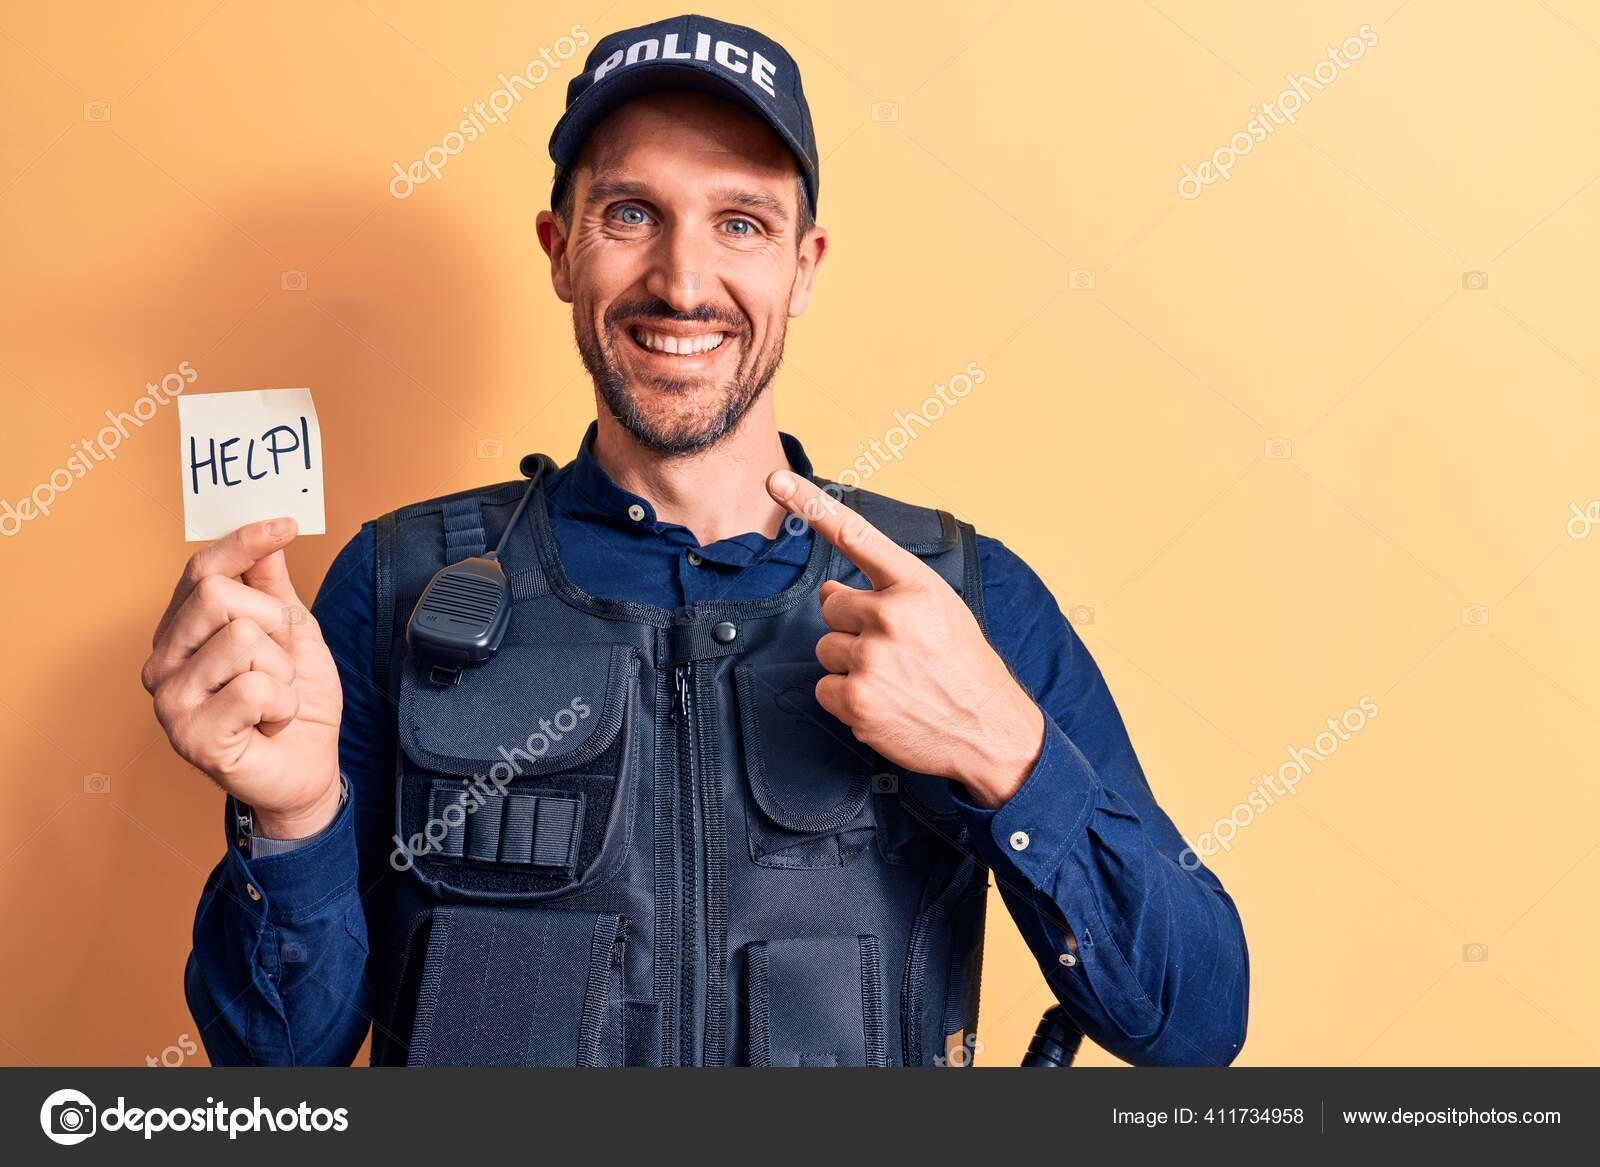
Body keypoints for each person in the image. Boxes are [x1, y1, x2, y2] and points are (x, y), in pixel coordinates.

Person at [142, 14, 1248, 1067]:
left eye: (740, 223)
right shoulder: (397, 586)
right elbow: (276, 1070)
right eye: (630, 213)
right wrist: (290, 822)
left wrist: (1008, 751)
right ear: (560, 250)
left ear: (802, 266)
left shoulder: (961, 599)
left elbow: (1192, 1027)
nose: (681, 280)